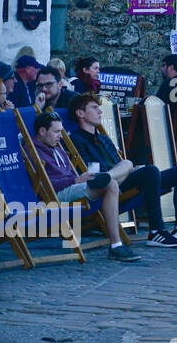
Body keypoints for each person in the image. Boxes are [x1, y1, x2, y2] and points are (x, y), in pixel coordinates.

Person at [65, 95, 177, 249]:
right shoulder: (77, 140)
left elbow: (120, 165)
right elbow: (89, 171)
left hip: (121, 177)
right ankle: (156, 231)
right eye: (94, 108)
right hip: (108, 185)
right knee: (149, 171)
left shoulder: (103, 138)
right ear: (80, 113)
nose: (100, 112)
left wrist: (126, 170)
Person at [34, 108, 139, 262]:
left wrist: (81, 179)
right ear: (42, 131)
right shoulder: (33, 152)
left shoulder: (58, 149)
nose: (60, 136)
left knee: (125, 164)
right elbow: (44, 186)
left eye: (61, 131)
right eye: (56, 132)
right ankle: (116, 245)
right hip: (55, 195)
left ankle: (106, 177)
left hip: (73, 186)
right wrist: (75, 181)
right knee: (111, 186)